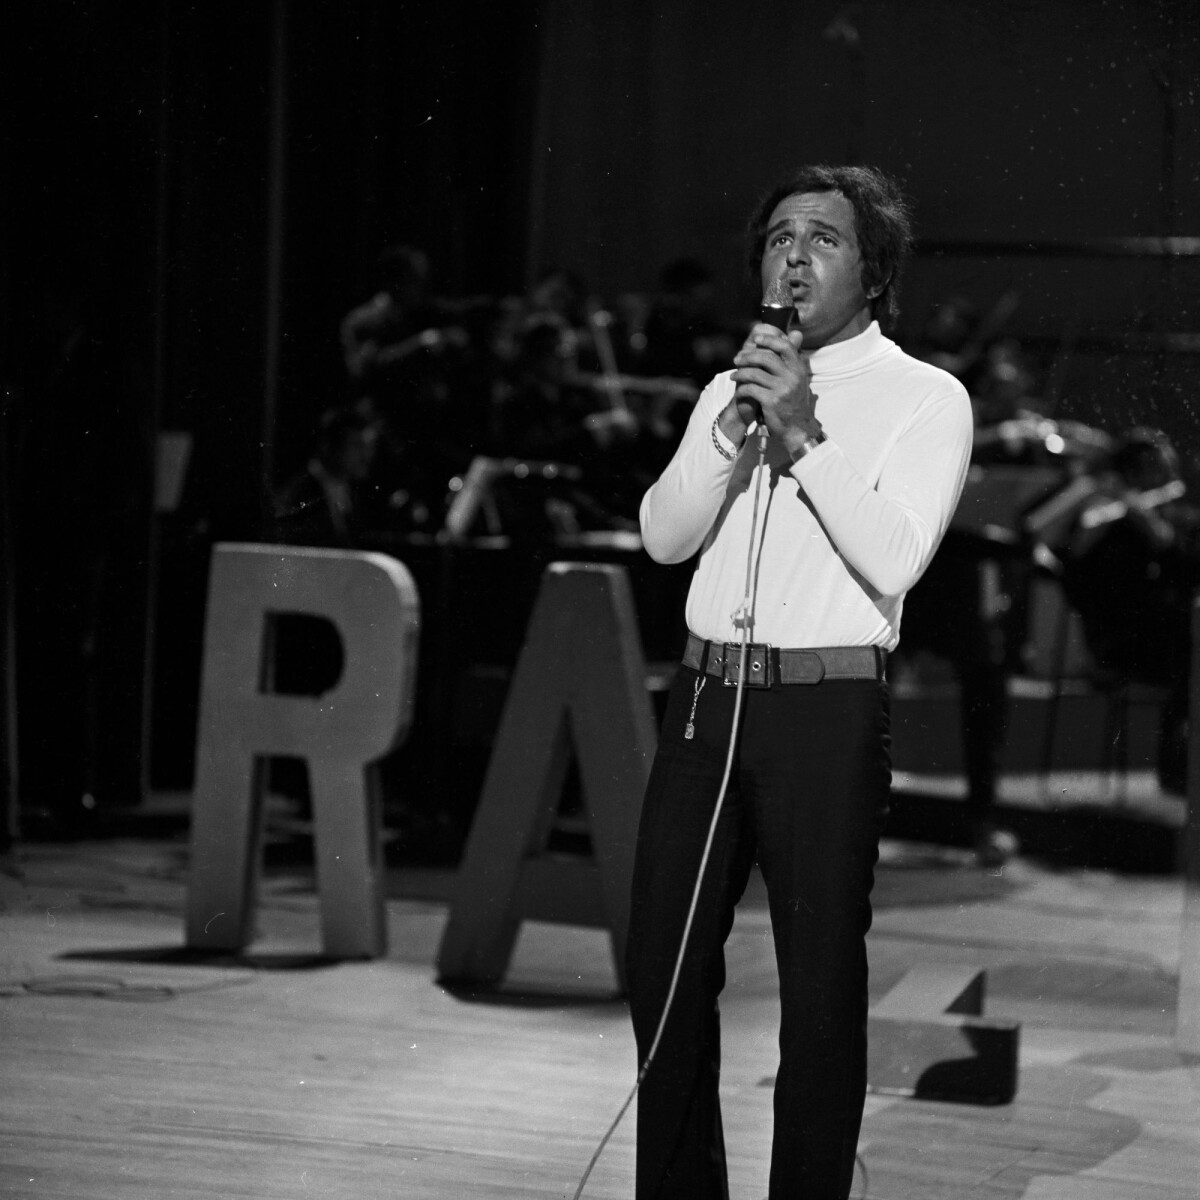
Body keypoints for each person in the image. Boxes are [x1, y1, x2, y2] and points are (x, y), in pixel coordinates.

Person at [625, 164, 973, 1198]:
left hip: (823, 707)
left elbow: (898, 559)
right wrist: (734, 429)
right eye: (779, 235)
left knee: (817, 987)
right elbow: (660, 536)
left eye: (822, 236)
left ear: (873, 270)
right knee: (664, 967)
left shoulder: (924, 397)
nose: (793, 252)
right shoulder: (730, 389)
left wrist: (805, 435)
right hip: (704, 700)